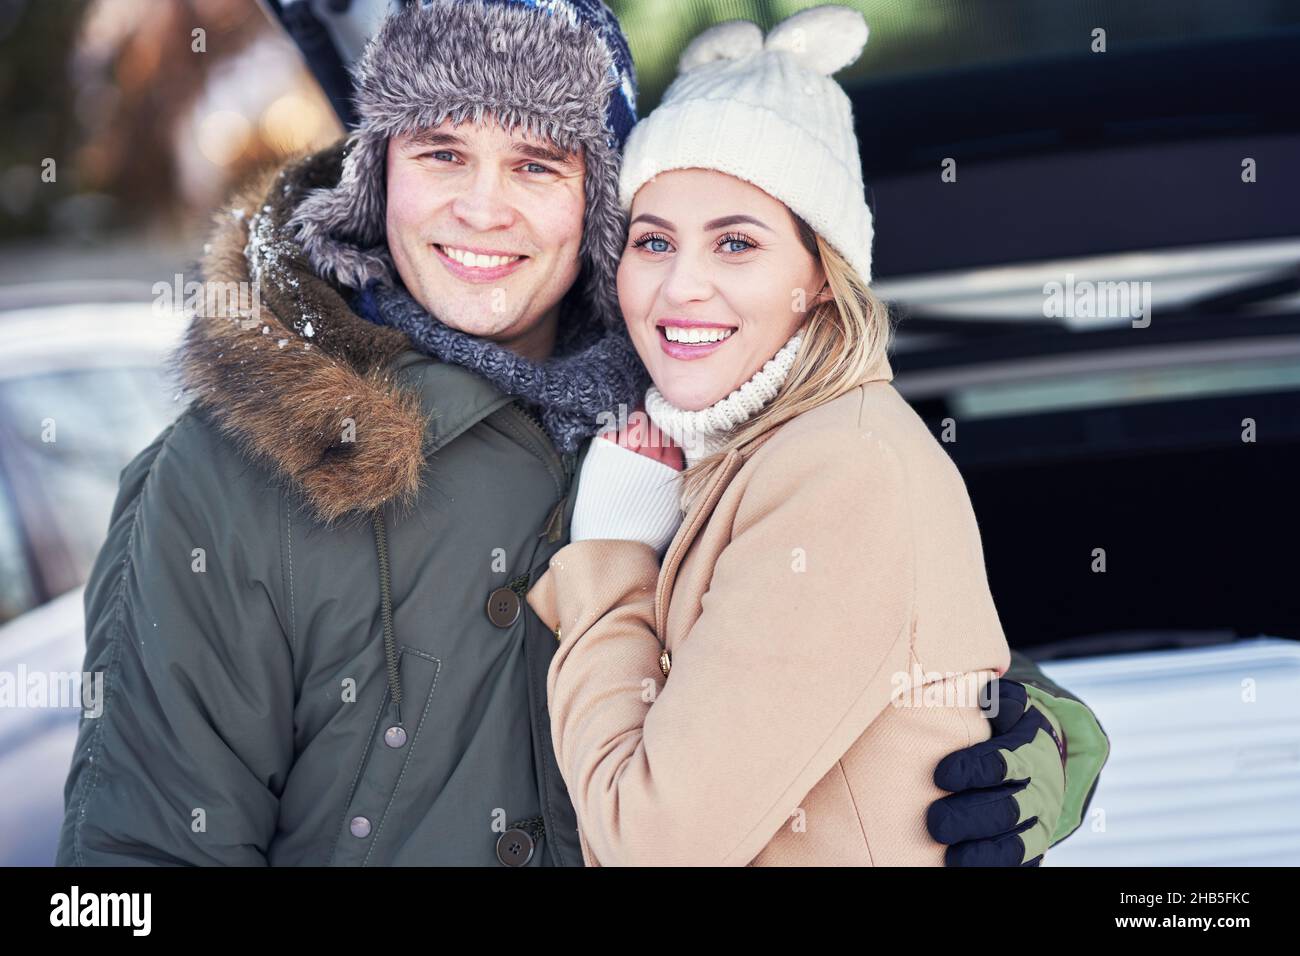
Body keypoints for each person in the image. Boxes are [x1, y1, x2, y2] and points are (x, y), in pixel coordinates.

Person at [57, 0, 1104, 867]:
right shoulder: (229, 474)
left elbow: (878, 626)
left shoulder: (710, 400)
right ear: (377, 176)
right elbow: (132, 865)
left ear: (600, 198)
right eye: (440, 150)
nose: (481, 208)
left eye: (537, 164)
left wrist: (1042, 745)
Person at [526, 4, 1108, 866]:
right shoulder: (739, 458)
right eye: (654, 240)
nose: (681, 284)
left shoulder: (839, 464)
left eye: (736, 243)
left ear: (824, 280)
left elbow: (653, 844)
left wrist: (611, 559)